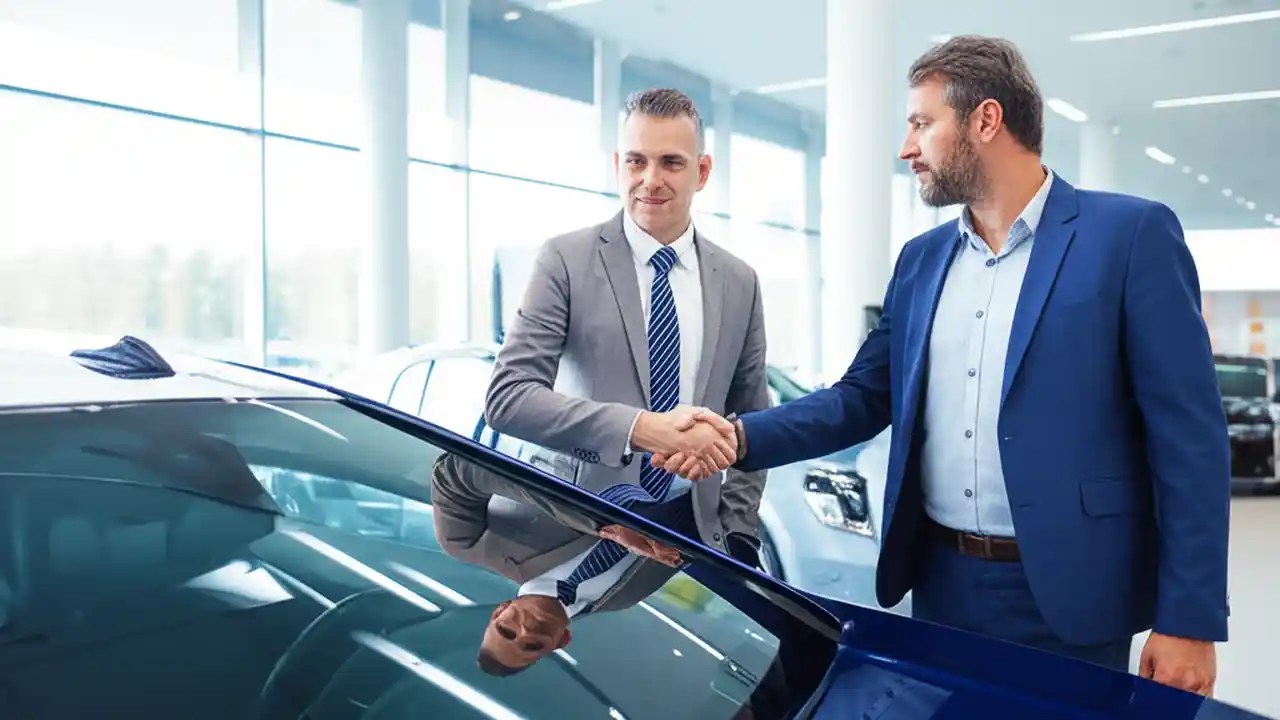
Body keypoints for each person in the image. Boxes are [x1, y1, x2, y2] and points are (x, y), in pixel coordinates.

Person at [659, 36, 1230, 696]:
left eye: (922, 124)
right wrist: (735, 438)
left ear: (986, 120)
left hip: (1072, 592)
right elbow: (859, 399)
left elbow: (1188, 439)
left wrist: (1188, 621)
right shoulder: (922, 261)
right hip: (941, 585)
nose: (907, 148)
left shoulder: (1128, 238)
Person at [484, 87, 770, 568]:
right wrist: (642, 430)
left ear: (701, 172)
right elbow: (507, 398)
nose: (650, 180)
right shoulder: (565, 260)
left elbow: (752, 420)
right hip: (576, 522)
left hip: (690, 532)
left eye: (671, 163)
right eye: (636, 161)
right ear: (619, 163)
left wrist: (738, 530)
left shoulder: (739, 281)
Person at [429, 451, 701, 675]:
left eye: (507, 631)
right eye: (532, 645)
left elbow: (456, 470)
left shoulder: (468, 542)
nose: (525, 631)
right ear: (561, 642)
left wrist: (601, 519)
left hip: (626, 416)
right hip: (714, 460)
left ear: (499, 612)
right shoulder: (625, 598)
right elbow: (699, 535)